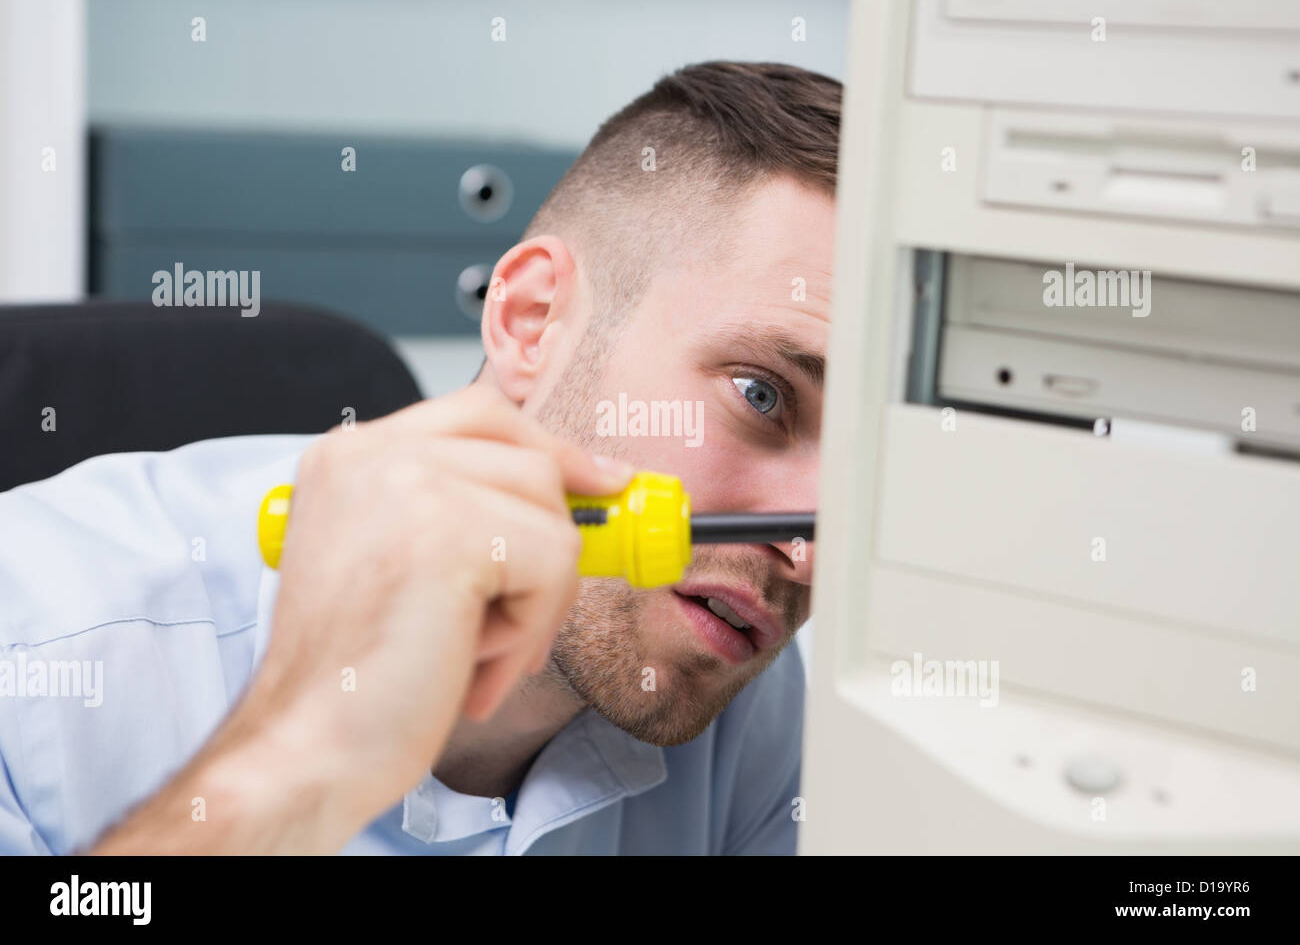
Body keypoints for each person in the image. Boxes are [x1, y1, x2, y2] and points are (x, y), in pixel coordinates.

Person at [0, 60, 837, 855]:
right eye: (761, 395)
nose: (802, 555)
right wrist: (288, 764)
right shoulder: (33, 637)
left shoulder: (747, 707)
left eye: (861, 467)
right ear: (534, 320)